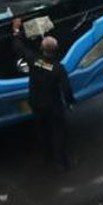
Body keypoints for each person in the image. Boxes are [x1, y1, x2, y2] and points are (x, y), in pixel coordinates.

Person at [27, 36, 74, 170]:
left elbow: (21, 49)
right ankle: (61, 162)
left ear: (41, 49)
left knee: (43, 131)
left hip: (36, 104)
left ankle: (47, 157)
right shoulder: (58, 69)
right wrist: (70, 102)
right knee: (58, 133)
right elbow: (66, 88)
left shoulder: (35, 62)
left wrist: (17, 33)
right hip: (53, 106)